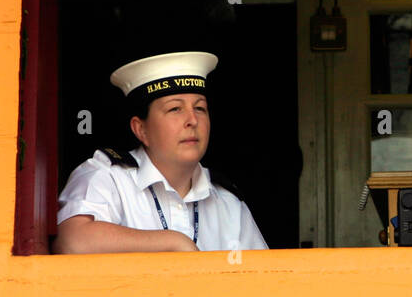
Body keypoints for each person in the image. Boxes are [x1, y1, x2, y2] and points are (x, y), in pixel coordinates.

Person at [54, 51, 269, 254]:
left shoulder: (227, 202)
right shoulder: (109, 178)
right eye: (175, 109)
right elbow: (72, 242)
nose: (192, 120)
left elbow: (265, 279)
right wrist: (173, 242)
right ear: (141, 129)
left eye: (200, 108)